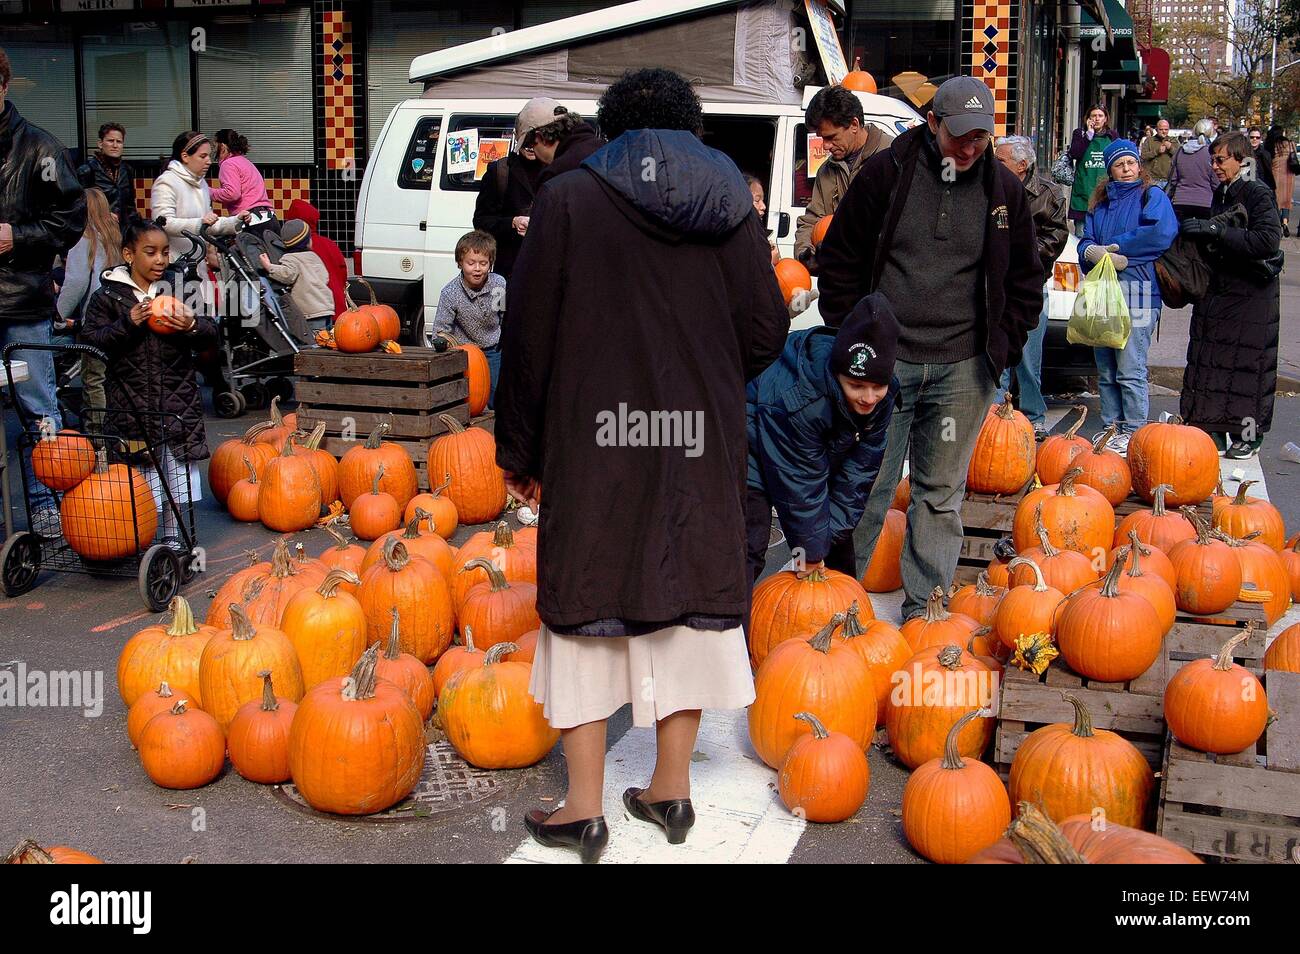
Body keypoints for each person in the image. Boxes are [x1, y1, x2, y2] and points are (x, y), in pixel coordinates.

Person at [495, 67, 788, 862]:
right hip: (697, 436)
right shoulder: (731, 204)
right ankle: (670, 790)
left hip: (593, 437)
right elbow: (766, 331)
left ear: (613, 128)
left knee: (588, 601)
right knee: (691, 598)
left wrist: (518, 450)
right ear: (692, 128)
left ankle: (584, 809)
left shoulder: (567, 198)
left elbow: (526, 340)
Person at [816, 76, 1042, 622]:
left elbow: (1026, 280)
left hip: (963, 370)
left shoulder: (1003, 193)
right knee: (866, 486)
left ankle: (927, 614)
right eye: (958, 135)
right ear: (932, 124)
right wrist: (855, 342)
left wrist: (1003, 347)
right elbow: (840, 257)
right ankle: (835, 608)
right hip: (885, 371)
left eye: (980, 138)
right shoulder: (886, 176)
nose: (968, 148)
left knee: (940, 494)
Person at [745, 292, 899, 586]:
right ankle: (732, 628)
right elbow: (799, 482)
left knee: (837, 557)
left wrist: (830, 542)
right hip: (748, 443)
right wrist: (811, 553)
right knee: (749, 544)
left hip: (806, 455)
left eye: (877, 386)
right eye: (856, 386)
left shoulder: (884, 397)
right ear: (837, 374)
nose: (869, 398)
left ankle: (845, 624)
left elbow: (858, 475)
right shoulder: (804, 400)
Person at [80, 217, 217, 546]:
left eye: (165, 253)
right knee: (142, 477)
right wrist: (128, 323)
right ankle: (140, 540)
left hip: (176, 400)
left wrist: (191, 325)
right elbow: (91, 341)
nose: (160, 260)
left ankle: (173, 540)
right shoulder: (108, 297)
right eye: (151, 252)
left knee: (175, 474)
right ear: (129, 254)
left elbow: (211, 333)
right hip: (132, 402)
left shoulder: (179, 287)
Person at [0, 47, 87, 532]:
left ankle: (46, 503)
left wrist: (20, 235)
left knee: (38, 409)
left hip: (22, 299)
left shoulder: (40, 148)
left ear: (4, 86)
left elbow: (71, 218)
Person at [1179, 131, 1282, 460]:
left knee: (1249, 369)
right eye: (1213, 160)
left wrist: (1216, 230)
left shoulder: (1256, 192)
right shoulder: (1222, 193)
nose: (1215, 166)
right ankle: (1216, 429)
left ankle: (1250, 436)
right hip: (1223, 291)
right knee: (1219, 364)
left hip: (1252, 295)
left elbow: (1267, 239)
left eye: (1220, 160)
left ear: (1241, 159)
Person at [1077, 139, 1178, 452]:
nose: (1126, 169)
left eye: (1130, 163)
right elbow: (1086, 240)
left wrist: (1121, 249)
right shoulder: (1100, 203)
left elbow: (1161, 232)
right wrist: (1088, 251)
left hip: (1139, 290)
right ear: (1110, 170)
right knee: (1106, 367)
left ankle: (1134, 433)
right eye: (1119, 165)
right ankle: (1111, 428)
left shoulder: (1152, 195)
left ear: (1139, 165)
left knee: (1130, 366)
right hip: (1104, 291)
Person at [994, 135, 1070, 439]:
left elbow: (1056, 237)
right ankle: (995, 414)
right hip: (996, 285)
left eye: (1001, 160)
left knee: (1027, 356)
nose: (994, 164)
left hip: (1029, 286)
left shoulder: (1048, 194)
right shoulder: (990, 186)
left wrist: (1021, 251)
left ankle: (1034, 417)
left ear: (1022, 165)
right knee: (996, 353)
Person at [793, 85, 892, 269]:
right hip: (839, 280)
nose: (825, 146)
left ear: (854, 125)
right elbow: (813, 220)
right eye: (821, 138)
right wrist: (805, 252)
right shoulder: (826, 171)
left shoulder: (892, 157)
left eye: (831, 137)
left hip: (880, 280)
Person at [58, 188, 121, 428]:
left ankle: (97, 431)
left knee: (93, 378)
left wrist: (59, 315)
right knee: (113, 375)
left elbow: (75, 281)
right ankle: (117, 424)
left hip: (94, 318)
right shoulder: (113, 235)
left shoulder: (83, 237)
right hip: (117, 315)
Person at [430, 229, 505, 407]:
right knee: (468, 397)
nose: (477, 269)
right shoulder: (450, 293)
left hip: (493, 349)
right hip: (465, 352)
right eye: (471, 263)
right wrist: (442, 343)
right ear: (460, 263)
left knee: (496, 394)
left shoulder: (498, 286)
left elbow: (503, 317)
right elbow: (441, 330)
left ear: (491, 264)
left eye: (483, 263)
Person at [472, 109, 544, 280]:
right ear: (516, 136)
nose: (530, 145)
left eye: (536, 138)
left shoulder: (557, 170)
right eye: (525, 138)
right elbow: (481, 221)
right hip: (509, 269)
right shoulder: (500, 171)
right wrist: (512, 223)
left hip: (545, 268)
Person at [152, 132, 243, 264]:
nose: (209, 161)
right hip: (174, 266)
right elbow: (163, 223)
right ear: (185, 157)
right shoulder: (167, 182)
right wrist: (200, 223)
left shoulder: (202, 184)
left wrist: (235, 221)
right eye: (203, 156)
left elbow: (208, 225)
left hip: (198, 264)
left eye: (209, 156)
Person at [258, 218, 335, 332]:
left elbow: (287, 274)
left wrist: (269, 267)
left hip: (310, 311)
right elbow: (325, 277)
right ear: (307, 242)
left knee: (315, 342)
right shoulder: (314, 256)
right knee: (325, 339)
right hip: (326, 307)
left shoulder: (291, 259)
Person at [286, 198, 347, 317]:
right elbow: (343, 273)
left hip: (313, 312)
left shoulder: (292, 248)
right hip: (339, 310)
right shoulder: (330, 244)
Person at [212, 129, 277, 237]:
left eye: (215, 146)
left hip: (252, 221)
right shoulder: (245, 162)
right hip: (269, 218)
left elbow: (232, 193)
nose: (213, 151)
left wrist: (207, 192)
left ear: (222, 146)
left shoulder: (228, 164)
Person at [527, 104, 603, 189]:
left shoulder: (553, 176)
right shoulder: (607, 149)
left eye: (530, 145)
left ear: (540, 137)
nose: (533, 153)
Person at [1067, 105, 1116, 233]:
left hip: (1104, 192)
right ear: (1088, 118)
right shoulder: (1080, 134)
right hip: (1083, 190)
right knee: (1081, 234)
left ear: (1105, 119)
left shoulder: (1112, 136)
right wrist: (1088, 136)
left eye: (1100, 116)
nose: (1097, 119)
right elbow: (1075, 154)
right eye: (1093, 115)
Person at [78, 122, 134, 224]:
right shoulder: (87, 170)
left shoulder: (126, 170)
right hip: (98, 230)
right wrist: (103, 214)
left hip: (124, 231)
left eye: (119, 141)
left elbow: (130, 205)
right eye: (110, 141)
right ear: (100, 144)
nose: (115, 145)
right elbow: (79, 206)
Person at [1167, 119, 1219, 221]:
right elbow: (1215, 182)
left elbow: (1173, 179)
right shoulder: (1211, 154)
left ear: (1194, 131)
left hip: (1180, 201)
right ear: (1210, 132)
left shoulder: (1180, 151)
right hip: (1205, 202)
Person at [1265, 127, 1300, 237]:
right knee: (1286, 200)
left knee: (1276, 201)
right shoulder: (1290, 144)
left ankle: (1276, 225)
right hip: (1289, 175)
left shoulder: (1271, 145)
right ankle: (1285, 222)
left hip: (1275, 175)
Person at [745, 173, 781, 265]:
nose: (763, 206)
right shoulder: (738, 240)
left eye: (763, 200)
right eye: (757, 200)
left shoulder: (756, 234)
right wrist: (769, 262)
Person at [1140, 118, 1176, 188]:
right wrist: (1156, 152)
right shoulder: (1149, 141)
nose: (1164, 132)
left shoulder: (1174, 141)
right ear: (1156, 130)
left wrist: (1171, 148)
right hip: (1153, 180)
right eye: (1161, 129)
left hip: (1168, 180)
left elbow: (1179, 157)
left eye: (1166, 129)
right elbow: (1143, 156)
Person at [1247, 126, 1277, 195]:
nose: (1254, 139)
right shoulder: (1243, 153)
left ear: (1260, 139)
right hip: (1248, 188)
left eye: (1257, 137)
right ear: (1248, 138)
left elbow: (1269, 174)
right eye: (1252, 137)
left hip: (1263, 187)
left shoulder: (1265, 154)